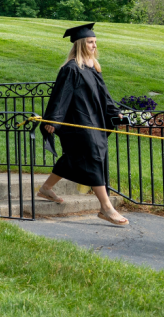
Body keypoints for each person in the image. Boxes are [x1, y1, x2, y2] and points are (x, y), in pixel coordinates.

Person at [37, 23, 129, 226]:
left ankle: (45, 188)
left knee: (73, 158)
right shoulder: (71, 69)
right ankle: (106, 208)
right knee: (94, 156)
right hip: (77, 123)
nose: (94, 45)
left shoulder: (93, 68)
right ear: (80, 44)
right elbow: (60, 96)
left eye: (95, 42)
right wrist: (53, 120)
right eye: (90, 42)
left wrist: (116, 114)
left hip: (93, 121)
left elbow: (104, 97)